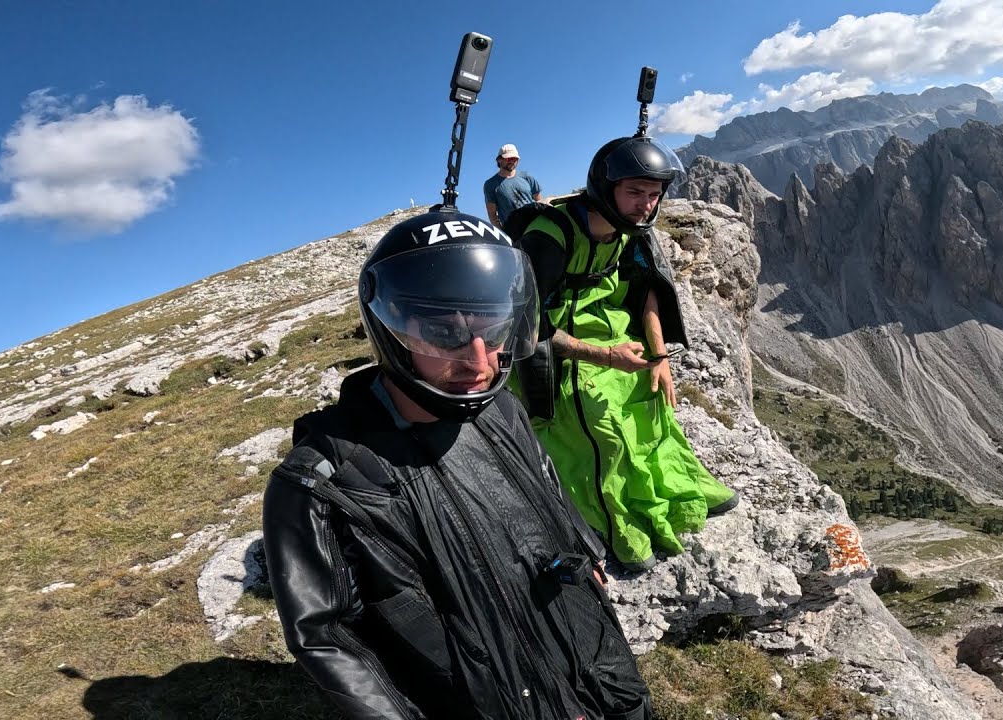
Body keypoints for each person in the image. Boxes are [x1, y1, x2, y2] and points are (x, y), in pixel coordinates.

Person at [261, 209, 652, 720]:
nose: (479, 360)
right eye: (444, 334)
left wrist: (586, 550)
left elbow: (549, 490)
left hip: (593, 662)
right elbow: (328, 638)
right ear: (393, 329)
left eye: (492, 331)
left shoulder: (502, 409)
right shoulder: (321, 483)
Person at [513, 136, 738, 572]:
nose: (646, 206)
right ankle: (611, 523)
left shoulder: (631, 230)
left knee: (653, 403)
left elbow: (647, 291)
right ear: (604, 187)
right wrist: (604, 357)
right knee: (599, 425)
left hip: (612, 333)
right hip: (551, 348)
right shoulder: (551, 236)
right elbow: (528, 323)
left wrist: (661, 359)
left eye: (654, 195)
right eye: (635, 192)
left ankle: (670, 488)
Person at [483, 143, 542, 228]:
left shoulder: (527, 177)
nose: (512, 161)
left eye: (514, 158)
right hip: (513, 233)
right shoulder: (490, 184)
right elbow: (492, 216)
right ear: (499, 160)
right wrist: (503, 235)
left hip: (535, 227)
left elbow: (540, 202)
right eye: (508, 158)